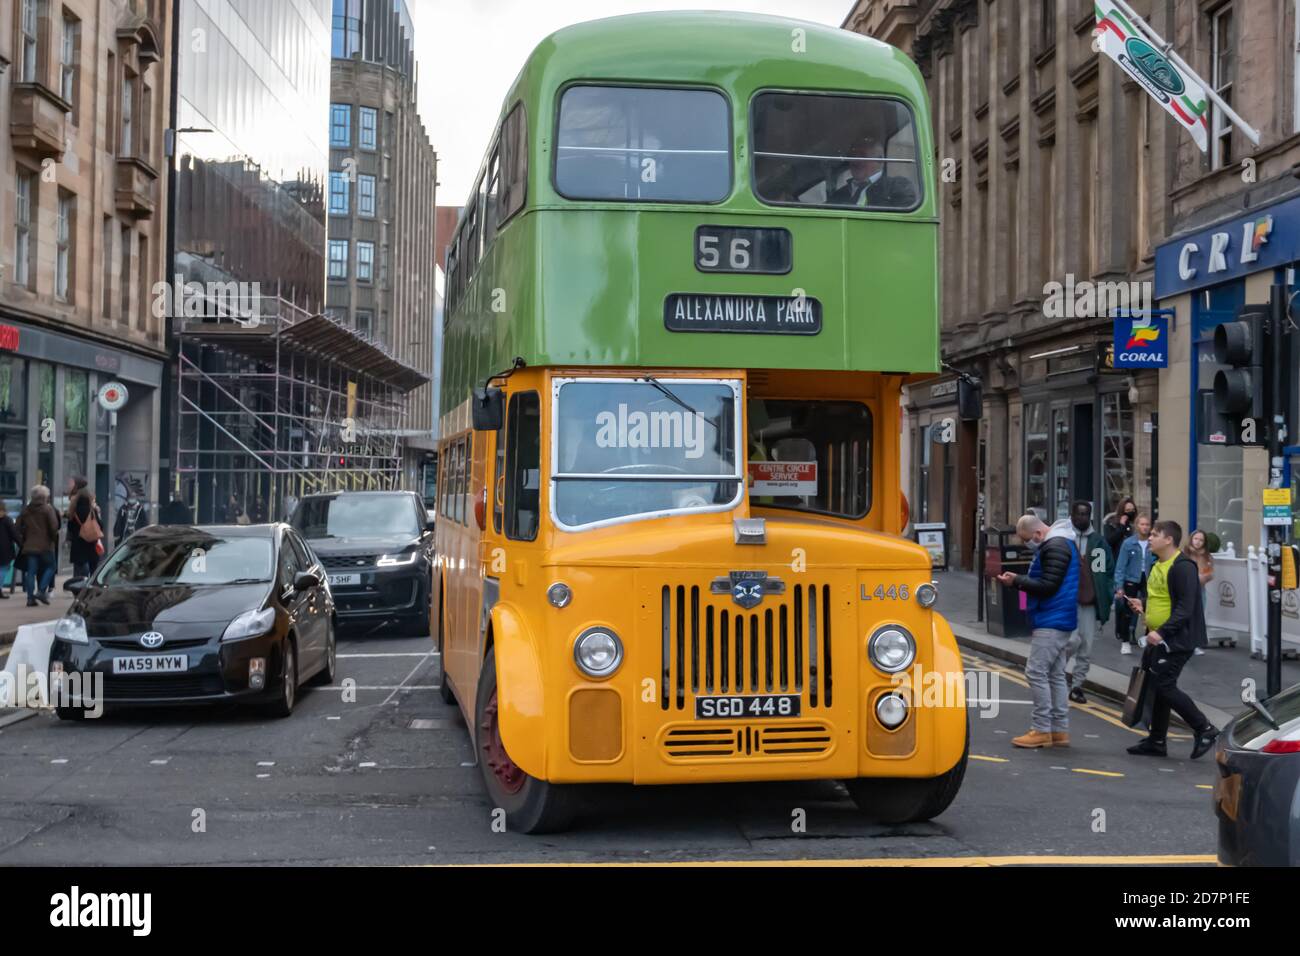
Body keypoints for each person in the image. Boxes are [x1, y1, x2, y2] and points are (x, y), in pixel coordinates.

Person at [1124, 520, 1219, 759]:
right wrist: (1143, 604)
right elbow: (1160, 597)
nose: (1151, 537)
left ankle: (1205, 729)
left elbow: (1186, 607)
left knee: (1164, 685)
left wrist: (1162, 633)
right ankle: (1157, 741)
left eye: (1155, 534)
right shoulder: (1158, 565)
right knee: (1157, 686)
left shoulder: (1182, 567)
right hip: (1158, 637)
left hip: (1176, 639)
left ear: (1169, 540)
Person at [997, 512, 1080, 748]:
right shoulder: (1060, 543)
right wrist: (1020, 579)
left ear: (1038, 533)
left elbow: (1048, 585)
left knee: (1035, 672)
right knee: (1055, 674)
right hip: (1057, 616)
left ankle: (1042, 729)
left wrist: (1016, 582)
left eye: (1027, 539)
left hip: (1052, 618)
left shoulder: (1055, 546)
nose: (1027, 544)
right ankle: (1059, 730)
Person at [1065, 500, 1113, 703]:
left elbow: (1103, 573)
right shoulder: (1064, 539)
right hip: (1066, 600)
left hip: (1088, 602)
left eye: (1086, 514)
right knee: (1070, 641)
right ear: (1072, 515)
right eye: (1079, 514)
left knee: (1086, 646)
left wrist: (1105, 599)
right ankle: (1056, 675)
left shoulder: (1098, 542)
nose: (1082, 518)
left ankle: (1077, 686)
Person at [828, 137, 916, 208]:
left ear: (880, 160)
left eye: (863, 156)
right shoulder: (839, 194)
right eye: (853, 155)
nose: (856, 160)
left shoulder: (896, 186)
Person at [1113, 512, 1157, 655]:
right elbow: (1120, 566)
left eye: (1147, 524)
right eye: (1142, 524)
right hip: (1132, 579)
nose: (1145, 527)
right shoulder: (1129, 543)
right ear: (1137, 525)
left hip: (1149, 579)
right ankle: (1125, 641)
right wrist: (1119, 586)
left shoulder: (1153, 543)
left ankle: (1147, 638)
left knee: (1150, 608)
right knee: (1128, 610)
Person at [16, 485, 59, 607]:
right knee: (51, 567)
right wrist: (53, 539)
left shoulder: (26, 510)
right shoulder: (48, 509)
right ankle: (41, 590)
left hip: (30, 546)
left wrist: (25, 536)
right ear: (45, 496)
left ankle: (30, 598)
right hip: (45, 545)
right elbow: (53, 527)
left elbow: (17, 526)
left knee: (31, 572)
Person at [1183, 529, 1215, 655]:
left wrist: (1205, 576)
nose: (1198, 542)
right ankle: (1184, 643)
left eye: (1201, 540)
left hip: (1200, 588)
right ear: (1191, 539)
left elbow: (1210, 572)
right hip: (1185, 589)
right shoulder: (1184, 553)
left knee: (1198, 616)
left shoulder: (1207, 556)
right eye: (1196, 539)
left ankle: (1194, 644)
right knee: (1185, 616)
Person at [65, 476, 103, 580]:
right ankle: (92, 582)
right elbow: (100, 525)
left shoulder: (74, 511)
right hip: (92, 541)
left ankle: (79, 584)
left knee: (79, 565)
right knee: (93, 565)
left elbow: (71, 527)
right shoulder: (93, 511)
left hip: (78, 542)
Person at [0, 500, 18, 599]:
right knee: (3, 569)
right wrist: (21, 544)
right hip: (4, 549)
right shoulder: (7, 520)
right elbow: (14, 534)